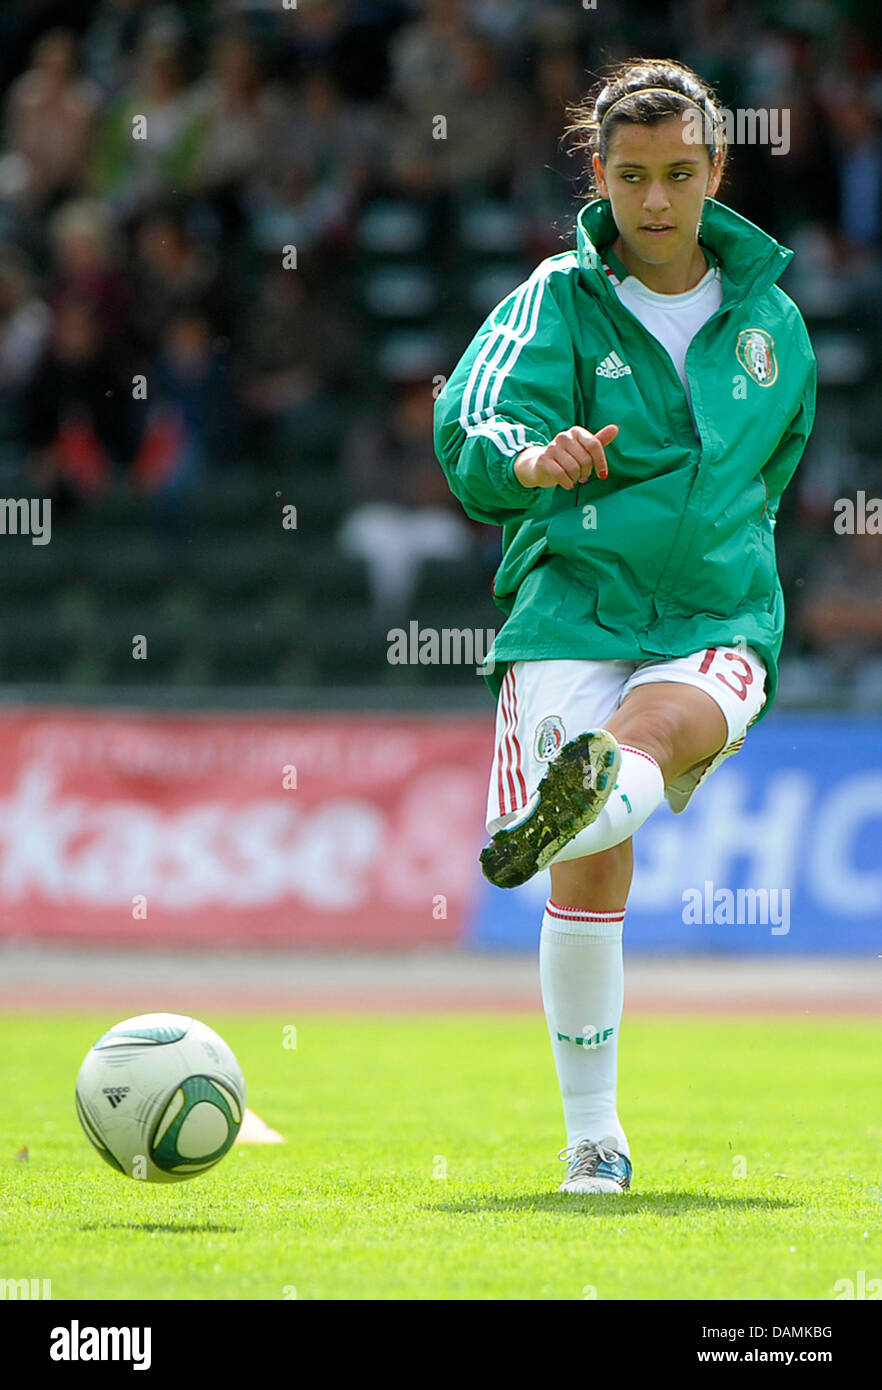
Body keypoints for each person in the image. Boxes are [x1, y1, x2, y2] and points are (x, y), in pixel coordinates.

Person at [435, 58, 817, 1196]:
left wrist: (723, 557)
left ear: (715, 172)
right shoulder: (554, 298)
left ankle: (597, 784)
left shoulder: (775, 322)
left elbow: (774, 468)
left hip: (718, 609)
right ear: (599, 174)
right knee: (596, 874)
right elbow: (472, 423)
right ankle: (592, 1140)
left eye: (680, 174)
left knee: (663, 723)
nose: (657, 200)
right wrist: (532, 459)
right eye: (634, 175)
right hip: (573, 606)